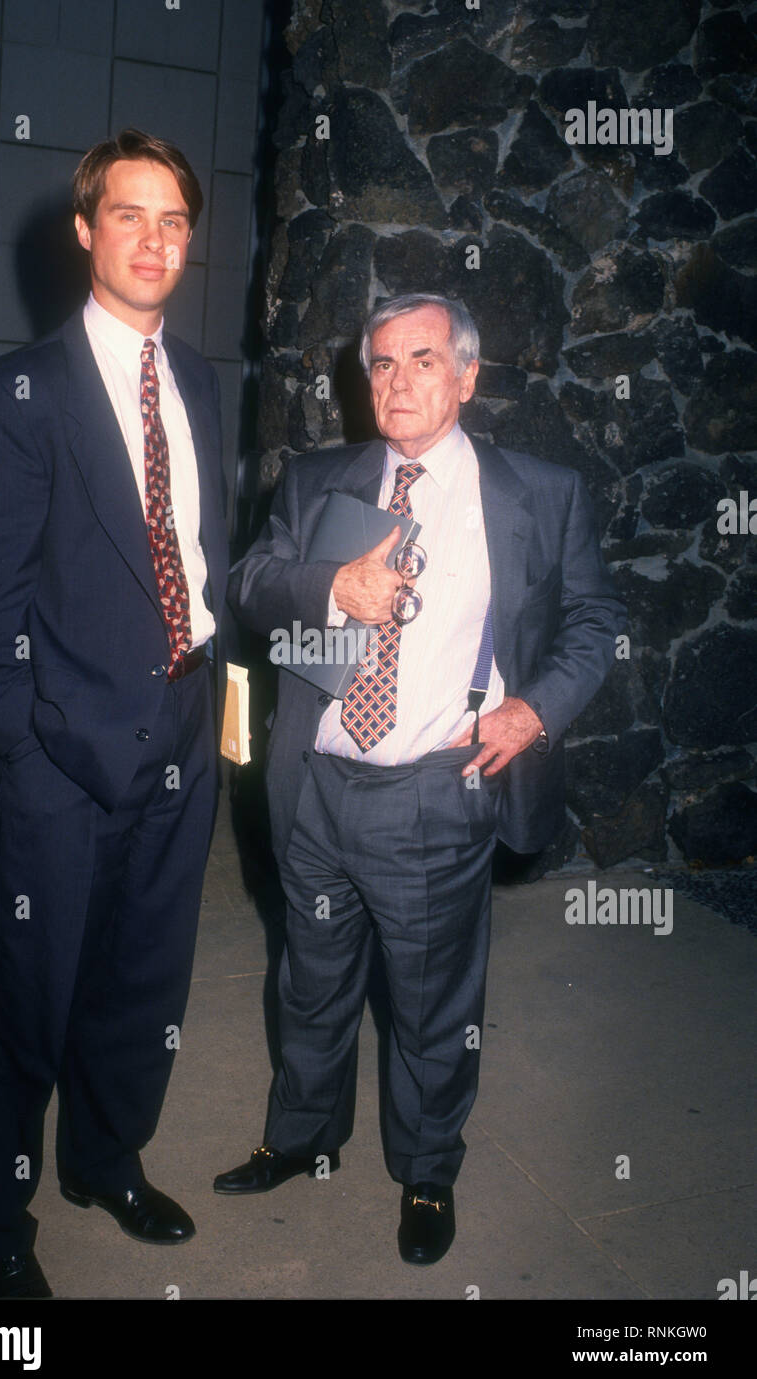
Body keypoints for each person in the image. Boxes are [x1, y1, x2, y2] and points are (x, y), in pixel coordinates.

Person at [217, 293, 625, 1264]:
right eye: (383, 365)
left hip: (436, 795)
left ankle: (428, 1167)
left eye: (424, 361)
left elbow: (594, 619)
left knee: (432, 999)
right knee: (310, 983)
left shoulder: (535, 494)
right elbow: (245, 587)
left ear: (468, 377)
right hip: (318, 784)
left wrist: (536, 709)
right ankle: (303, 1131)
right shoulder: (318, 480)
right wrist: (332, 589)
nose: (399, 382)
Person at [0, 128, 230, 1298]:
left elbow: (198, 555)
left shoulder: (201, 381)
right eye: (129, 215)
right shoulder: (16, 397)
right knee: (25, 1000)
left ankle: (104, 1160)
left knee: (141, 981)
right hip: (58, 761)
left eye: (174, 221)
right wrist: (24, 749)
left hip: (182, 732)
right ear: (83, 230)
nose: (153, 239)